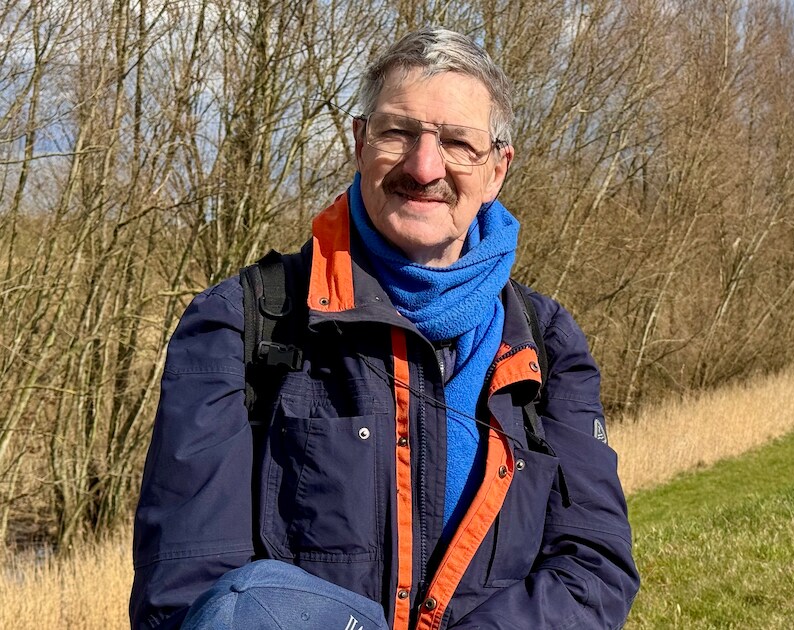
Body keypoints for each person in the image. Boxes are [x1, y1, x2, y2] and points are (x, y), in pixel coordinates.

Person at [130, 27, 639, 630]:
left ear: (497, 169)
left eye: (458, 143)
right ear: (358, 143)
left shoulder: (546, 342)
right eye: (398, 132)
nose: (425, 168)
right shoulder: (241, 323)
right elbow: (187, 592)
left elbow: (595, 566)